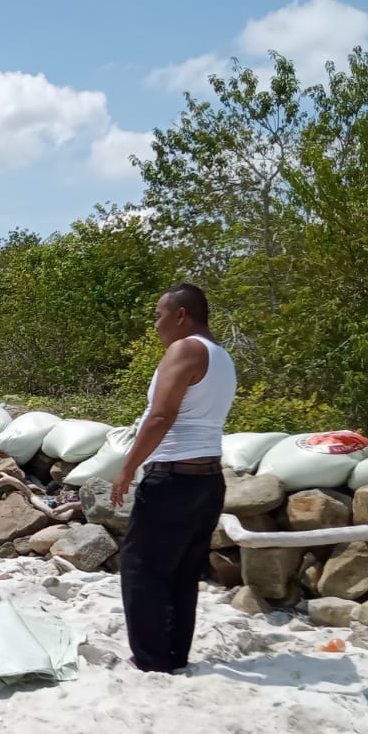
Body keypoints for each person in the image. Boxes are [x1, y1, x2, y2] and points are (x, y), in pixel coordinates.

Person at [111, 283, 237, 674]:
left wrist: (128, 467)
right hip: (208, 480)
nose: (156, 324)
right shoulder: (222, 357)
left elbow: (161, 417)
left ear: (181, 315)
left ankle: (148, 659)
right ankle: (173, 656)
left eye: (159, 315)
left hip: (173, 478)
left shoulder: (184, 349)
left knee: (140, 566)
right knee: (183, 573)